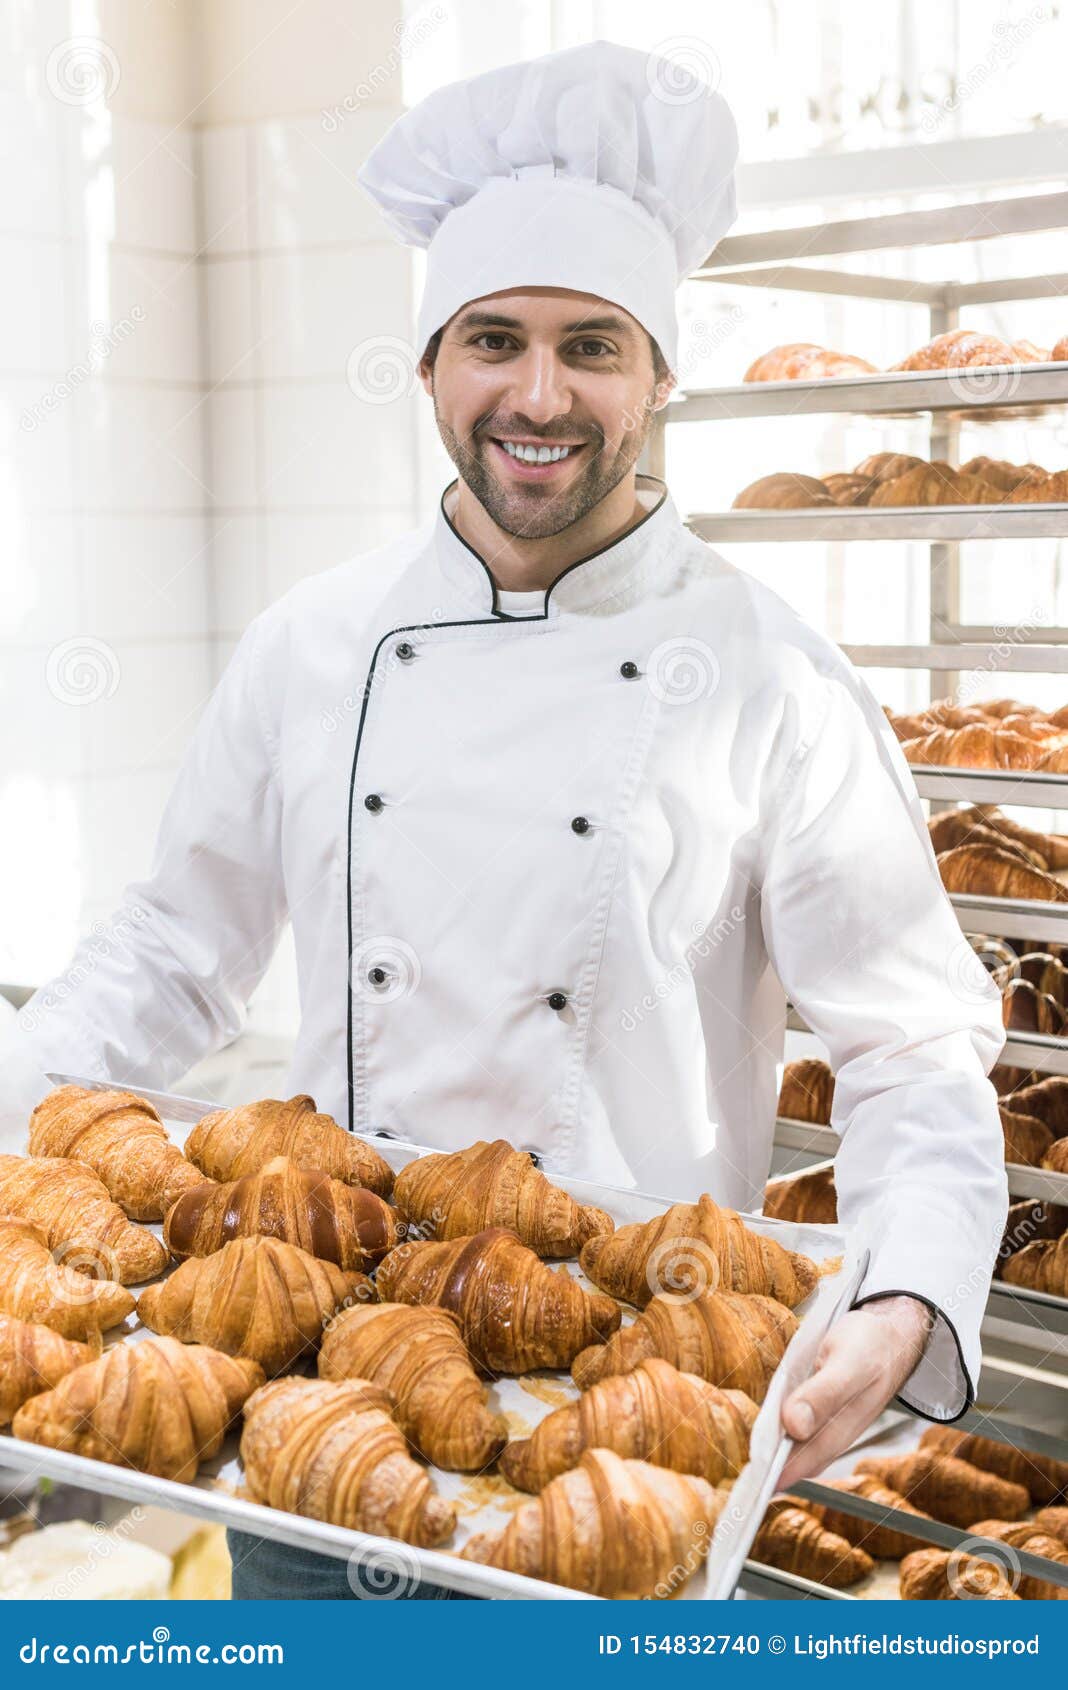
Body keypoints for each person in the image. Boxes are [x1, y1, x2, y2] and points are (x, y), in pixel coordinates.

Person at [1, 41, 1008, 1601]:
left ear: (661, 376)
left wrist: (909, 1298)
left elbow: (910, 1046)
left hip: (626, 1426)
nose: (540, 397)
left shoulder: (771, 676)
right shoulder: (312, 644)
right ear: (426, 366)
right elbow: (173, 944)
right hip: (323, 1399)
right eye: (495, 341)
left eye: (592, 346)